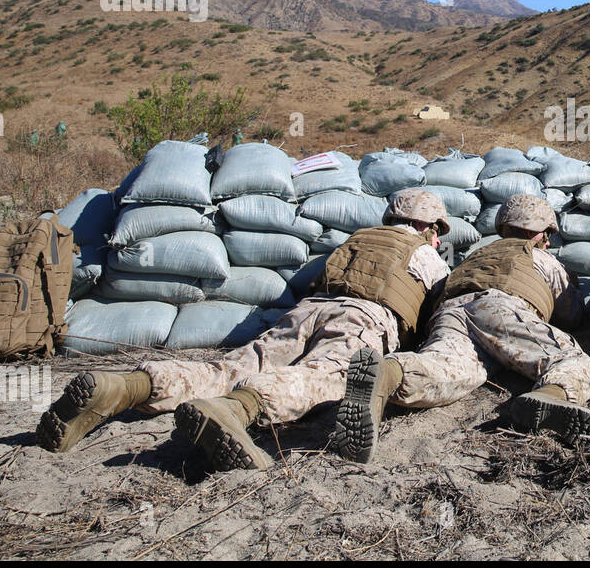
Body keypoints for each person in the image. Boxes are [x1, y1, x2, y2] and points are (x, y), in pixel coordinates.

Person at [36, 188, 452, 471]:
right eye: (437, 233)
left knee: (231, 366)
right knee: (324, 377)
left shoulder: (357, 239)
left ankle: (127, 387)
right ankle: (236, 410)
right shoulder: (426, 256)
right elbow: (438, 317)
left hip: (305, 312)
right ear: (429, 228)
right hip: (362, 320)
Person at [332, 193, 590, 463]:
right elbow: (571, 315)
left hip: (450, 312)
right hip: (500, 309)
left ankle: (389, 374)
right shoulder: (539, 257)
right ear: (536, 232)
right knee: (576, 363)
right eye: (547, 236)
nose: (547, 243)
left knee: (449, 369)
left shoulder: (475, 256)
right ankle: (550, 395)